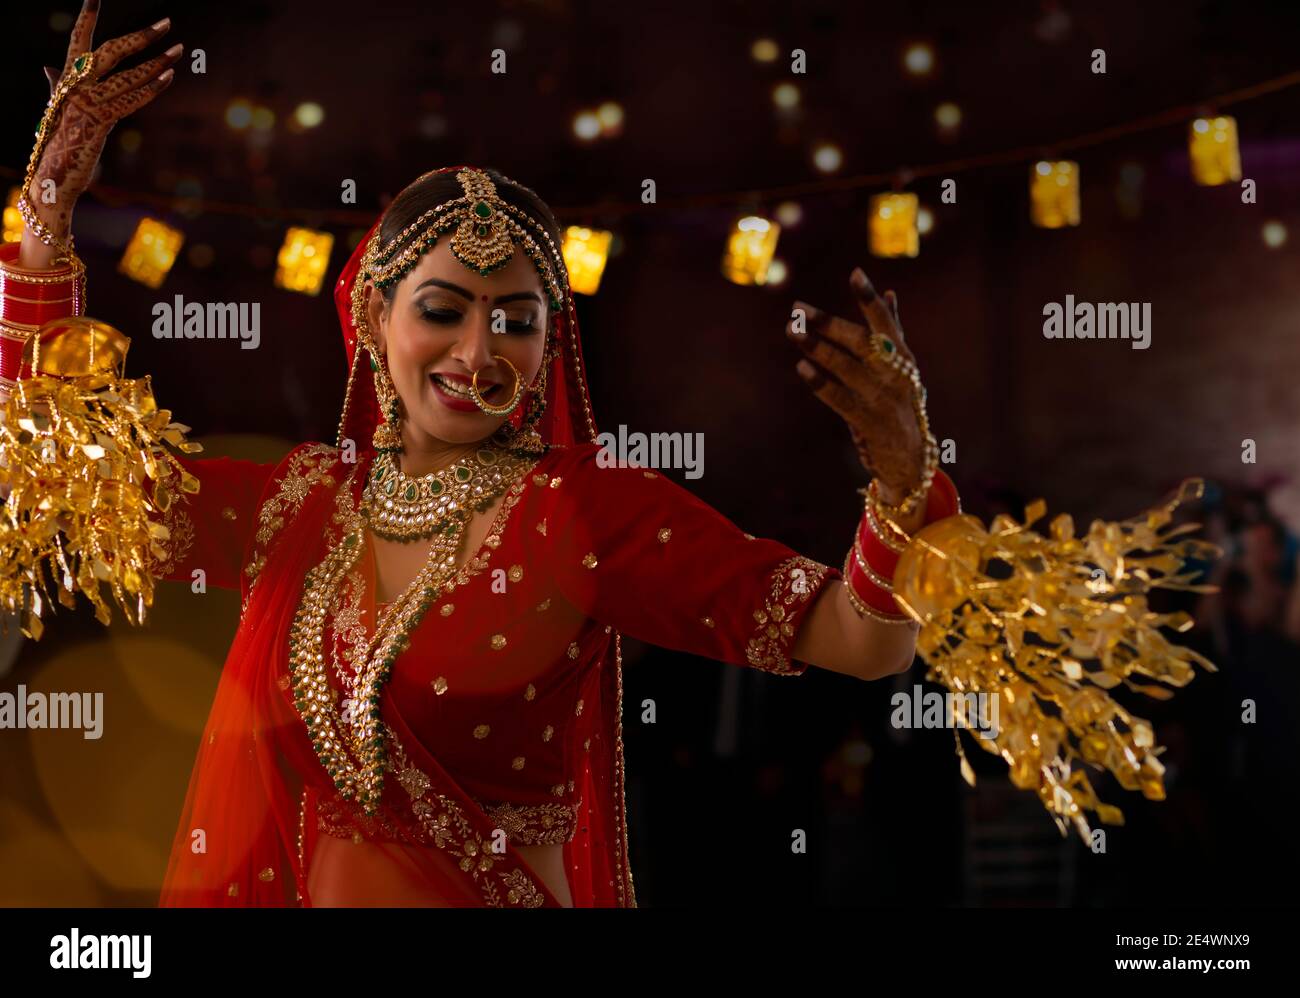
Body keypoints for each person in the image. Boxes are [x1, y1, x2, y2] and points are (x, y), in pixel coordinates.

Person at [0, 2, 959, 907]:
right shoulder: (299, 505)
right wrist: (43, 226)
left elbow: (865, 642)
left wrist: (905, 486)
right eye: (443, 310)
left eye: (515, 320)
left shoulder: (583, 513)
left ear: (550, 344)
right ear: (376, 317)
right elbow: (71, 492)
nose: (476, 353)